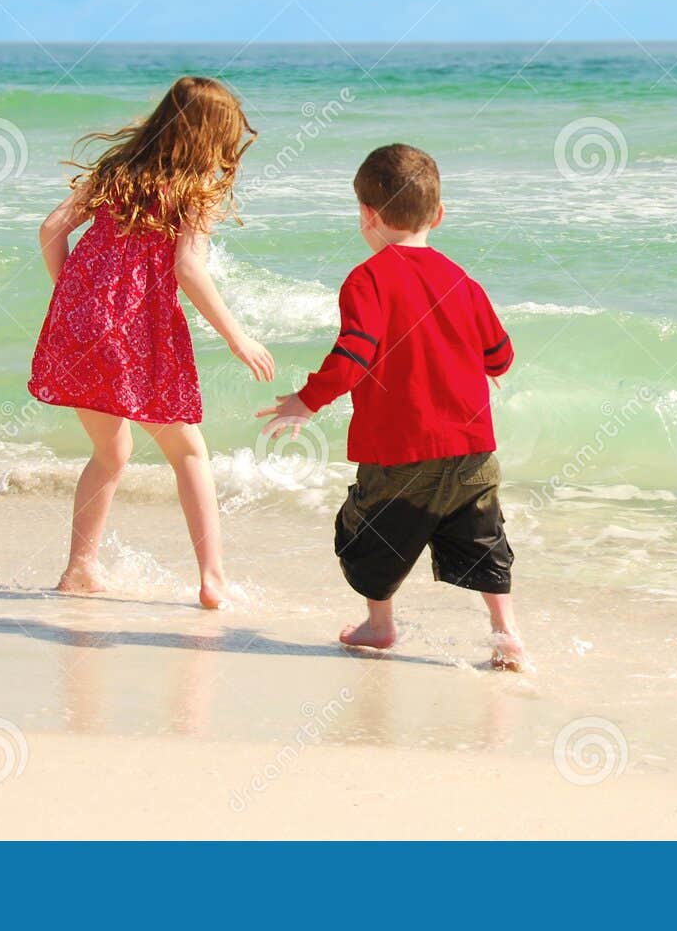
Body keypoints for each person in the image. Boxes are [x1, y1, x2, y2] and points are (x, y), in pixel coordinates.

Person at [258, 143, 526, 669]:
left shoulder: (368, 279)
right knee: (484, 539)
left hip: (398, 452)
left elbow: (353, 356)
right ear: (439, 214)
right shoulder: (463, 282)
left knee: (365, 535)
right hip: (473, 450)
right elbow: (502, 356)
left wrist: (305, 402)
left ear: (367, 215)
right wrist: (477, 366)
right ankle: (506, 633)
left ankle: (380, 625)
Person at [30, 75, 274, 606]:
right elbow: (189, 267)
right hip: (138, 332)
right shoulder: (196, 190)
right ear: (211, 138)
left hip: (78, 325)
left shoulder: (116, 170)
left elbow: (51, 230)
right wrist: (238, 337)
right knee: (188, 452)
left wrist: (73, 296)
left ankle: (79, 569)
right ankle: (212, 579)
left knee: (110, 450)